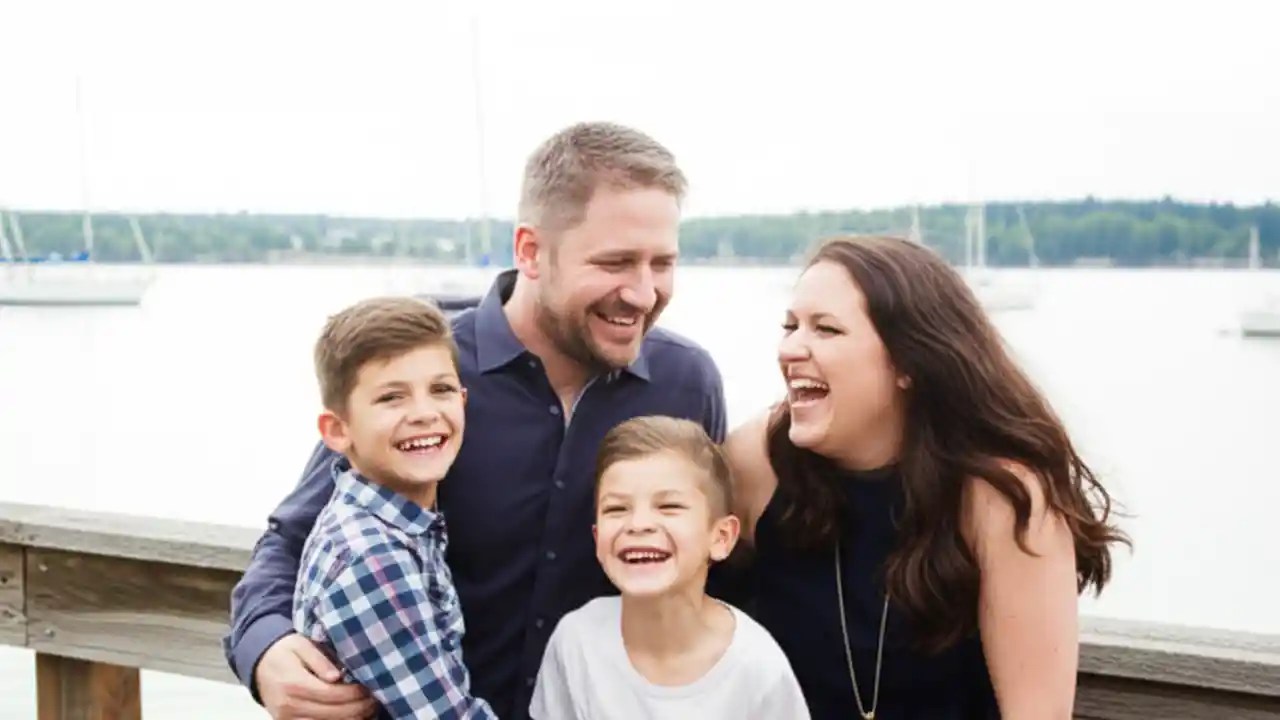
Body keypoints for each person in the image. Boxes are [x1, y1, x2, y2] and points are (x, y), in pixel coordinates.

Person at [222, 121, 728, 720]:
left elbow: (718, 570)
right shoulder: (419, 383)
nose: (643, 293)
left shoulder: (686, 383)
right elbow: (293, 542)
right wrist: (266, 648)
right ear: (531, 251)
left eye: (661, 264)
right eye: (616, 262)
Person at [724, 235, 1130, 719]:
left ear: (907, 363)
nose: (791, 348)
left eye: (825, 329)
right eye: (790, 326)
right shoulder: (757, 462)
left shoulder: (1002, 497)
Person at [292, 296, 496, 719]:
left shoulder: (403, 527)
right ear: (338, 430)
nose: (424, 413)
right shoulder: (370, 557)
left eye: (440, 390)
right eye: (391, 398)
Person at [530, 416, 810, 719]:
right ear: (597, 538)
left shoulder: (758, 667)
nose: (638, 525)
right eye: (616, 509)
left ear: (721, 537)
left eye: (669, 507)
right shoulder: (575, 641)